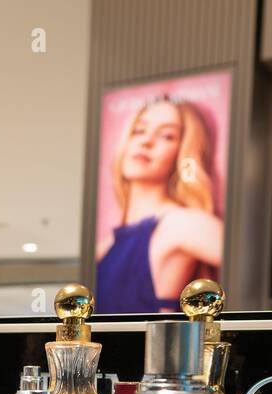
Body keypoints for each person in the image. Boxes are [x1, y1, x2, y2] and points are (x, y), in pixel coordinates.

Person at [94, 96, 224, 313]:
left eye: (166, 135)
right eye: (139, 131)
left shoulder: (181, 224)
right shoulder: (104, 247)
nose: (146, 141)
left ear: (183, 150)